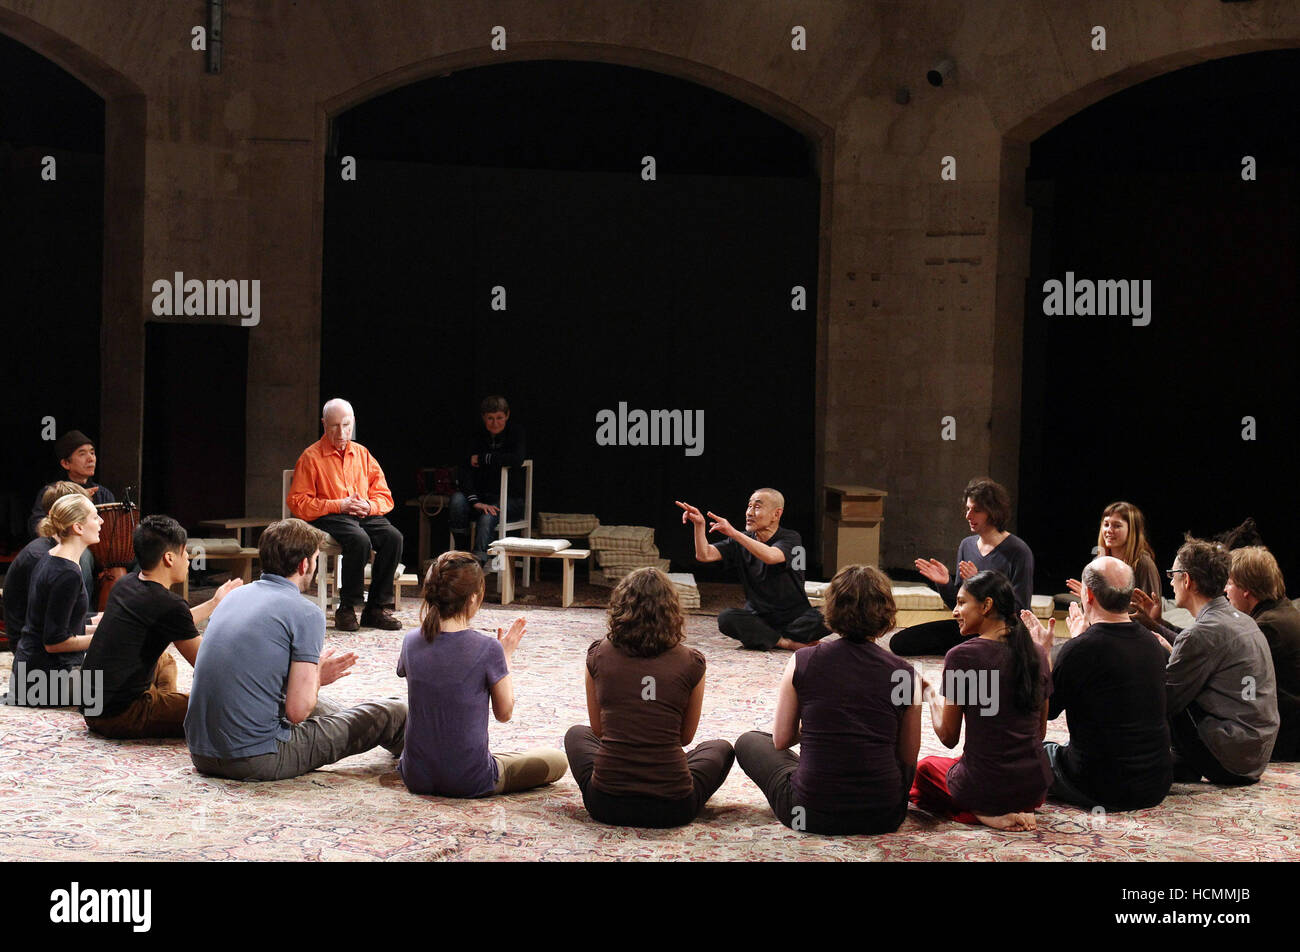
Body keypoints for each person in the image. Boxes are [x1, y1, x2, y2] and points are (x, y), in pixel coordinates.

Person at [185, 518, 407, 781]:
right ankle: (422, 751)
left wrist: (313, 680)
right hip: (256, 758)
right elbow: (297, 711)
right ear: (305, 564)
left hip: (201, 752)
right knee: (394, 712)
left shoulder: (233, 596)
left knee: (336, 709)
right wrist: (315, 679)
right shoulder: (306, 613)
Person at [735, 564, 921, 834]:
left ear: (831, 608)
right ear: (886, 612)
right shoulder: (904, 673)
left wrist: (821, 726)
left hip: (809, 812)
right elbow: (907, 755)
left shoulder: (803, 660)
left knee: (749, 741)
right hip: (883, 816)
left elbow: (782, 740)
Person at [565, 567, 735, 828]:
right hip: (673, 808)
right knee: (721, 748)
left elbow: (598, 730)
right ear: (672, 612)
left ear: (619, 607)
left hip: (606, 804)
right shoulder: (692, 662)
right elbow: (685, 737)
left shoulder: (598, 654)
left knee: (577, 734)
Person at [396, 551, 567, 797]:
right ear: (474, 598)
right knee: (556, 760)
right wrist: (505, 656)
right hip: (469, 779)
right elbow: (504, 713)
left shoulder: (410, 640)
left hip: (415, 776)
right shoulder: (488, 648)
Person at [1021, 557, 1172, 811]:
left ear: (1088, 595)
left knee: (1026, 751)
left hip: (1099, 786)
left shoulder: (1080, 650)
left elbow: (1041, 712)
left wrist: (1043, 656)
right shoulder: (1154, 644)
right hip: (1156, 783)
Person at [909, 570, 1052, 831]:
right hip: (1034, 788)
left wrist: (929, 694)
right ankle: (1010, 807)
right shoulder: (1039, 652)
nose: (954, 611)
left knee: (924, 770)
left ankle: (981, 813)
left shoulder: (963, 657)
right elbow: (1040, 732)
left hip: (986, 787)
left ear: (986, 606)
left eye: (962, 602)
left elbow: (948, 738)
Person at [1132, 537, 1279, 784]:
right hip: (1254, 753)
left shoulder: (1203, 633)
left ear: (1187, 579)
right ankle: (1184, 763)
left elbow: (1164, 702)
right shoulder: (1244, 620)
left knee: (1156, 686)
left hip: (1232, 761)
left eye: (1173, 574)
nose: (1170, 580)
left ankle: (1144, 761)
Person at [81, 515, 242, 739]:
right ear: (169, 558)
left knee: (166, 661)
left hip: (92, 704)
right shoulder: (168, 604)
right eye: (184, 552)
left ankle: (163, 706)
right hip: (119, 714)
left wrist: (214, 603)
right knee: (224, 708)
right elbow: (206, 664)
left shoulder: (127, 583)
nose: (188, 559)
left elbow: (175, 621)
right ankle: (161, 709)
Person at [287, 397, 403, 631]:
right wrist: (338, 505)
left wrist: (369, 506)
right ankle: (347, 608)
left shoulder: (363, 454)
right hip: (330, 515)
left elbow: (385, 496)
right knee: (359, 540)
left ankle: (375, 609)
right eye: (334, 426)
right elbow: (298, 503)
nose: (341, 432)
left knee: (393, 538)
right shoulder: (311, 456)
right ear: (324, 424)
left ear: (353, 424)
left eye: (346, 425)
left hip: (361, 513)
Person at [892, 477, 1035, 657]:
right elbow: (959, 607)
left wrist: (981, 585)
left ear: (993, 512)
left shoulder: (1018, 551)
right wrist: (945, 584)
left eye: (976, 510)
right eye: (968, 509)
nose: (968, 516)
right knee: (900, 642)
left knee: (967, 653)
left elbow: (1020, 610)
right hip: (972, 626)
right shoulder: (966, 545)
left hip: (1001, 631)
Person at [676, 489, 828, 650]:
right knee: (727, 618)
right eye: (749, 506)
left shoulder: (791, 538)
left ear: (776, 514)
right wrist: (699, 525)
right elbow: (704, 555)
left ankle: (767, 637)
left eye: (757, 507)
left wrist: (734, 533)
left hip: (795, 617)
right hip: (758, 617)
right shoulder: (741, 539)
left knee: (830, 614)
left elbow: (771, 556)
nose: (749, 513)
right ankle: (785, 642)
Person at [10, 494, 104, 703]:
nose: (101, 522)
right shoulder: (66, 573)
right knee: (126, 678)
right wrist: (105, 638)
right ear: (78, 527)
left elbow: (58, 626)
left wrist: (103, 625)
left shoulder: (52, 555)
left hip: (32, 672)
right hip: (43, 681)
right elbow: (55, 643)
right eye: (95, 517)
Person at [27, 430, 123, 606]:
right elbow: (37, 527)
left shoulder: (104, 494)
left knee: (144, 554)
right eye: (82, 453)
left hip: (103, 551)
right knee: (82, 556)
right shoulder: (52, 492)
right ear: (65, 463)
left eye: (92, 452)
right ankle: (80, 613)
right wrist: (74, 504)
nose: (90, 458)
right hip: (74, 548)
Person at [1224, 546, 1297, 762]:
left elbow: (1225, 671)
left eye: (1229, 583)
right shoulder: (1283, 612)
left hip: (1285, 739)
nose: (1225, 591)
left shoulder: (1267, 628)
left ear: (1246, 589)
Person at [3, 482, 89, 652]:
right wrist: (106, 636)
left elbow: (60, 616)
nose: (100, 520)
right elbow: (50, 635)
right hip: (34, 654)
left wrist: (104, 620)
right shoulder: (45, 558)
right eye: (90, 515)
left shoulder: (55, 552)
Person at [449, 395, 527, 568]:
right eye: (490, 418)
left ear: (507, 416)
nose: (495, 423)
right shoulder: (476, 435)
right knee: (457, 501)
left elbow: (516, 459)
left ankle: (476, 563)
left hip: (509, 498)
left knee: (488, 516)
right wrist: (475, 501)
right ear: (483, 417)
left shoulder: (515, 433)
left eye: (499, 417)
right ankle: (462, 555)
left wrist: (485, 458)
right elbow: (465, 466)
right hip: (481, 496)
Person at [1065, 501, 1162, 619]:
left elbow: (1151, 616)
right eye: (1106, 524)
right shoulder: (1100, 562)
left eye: (1117, 526)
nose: (1109, 530)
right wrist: (1088, 599)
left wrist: (1095, 602)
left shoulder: (1143, 564)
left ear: (1132, 530)